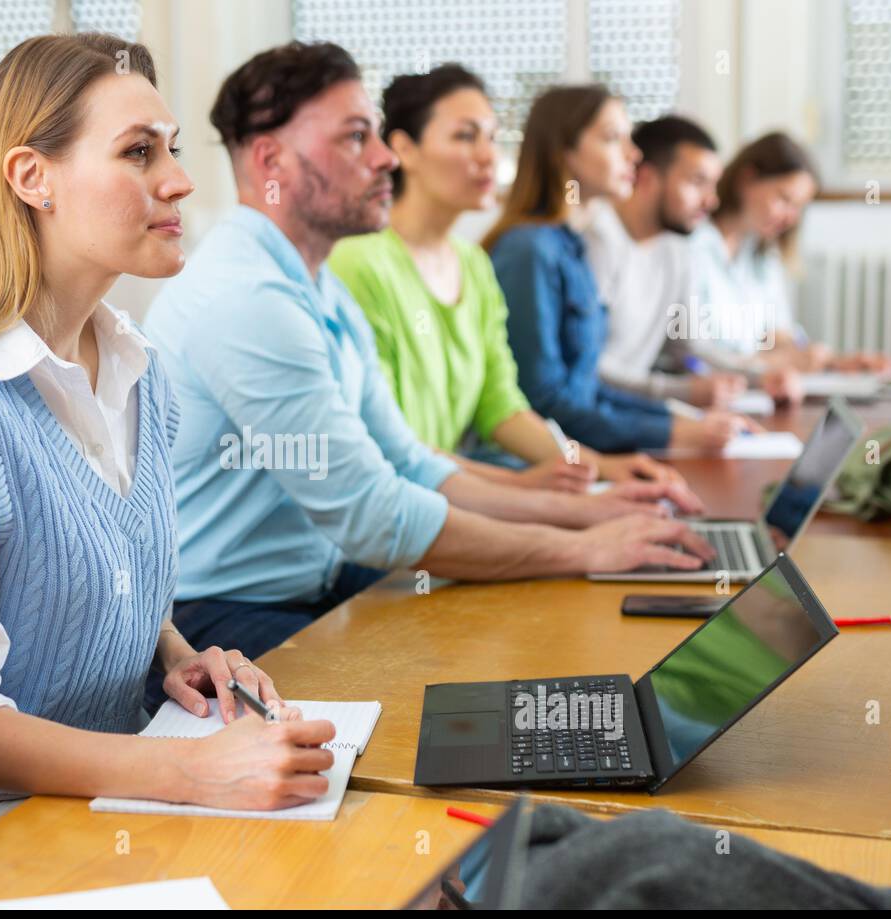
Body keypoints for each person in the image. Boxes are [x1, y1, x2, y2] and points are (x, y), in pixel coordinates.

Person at [0, 34, 337, 870]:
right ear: (33, 178)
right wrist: (191, 768)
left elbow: (93, 567)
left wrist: (177, 654)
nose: (178, 179)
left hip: (102, 796)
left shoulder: (141, 369)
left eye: (171, 149)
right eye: (138, 152)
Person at [145, 43, 712, 664]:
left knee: (541, 628)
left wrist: (581, 512)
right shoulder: (250, 299)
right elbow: (371, 513)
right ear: (271, 158)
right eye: (357, 138)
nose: (387, 156)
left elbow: (408, 462)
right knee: (495, 672)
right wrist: (582, 545)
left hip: (319, 585)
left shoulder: (318, 285)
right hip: (226, 618)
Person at [329, 65, 695, 495]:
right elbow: (392, 448)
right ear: (404, 149)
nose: (488, 156)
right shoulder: (358, 264)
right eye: (465, 136)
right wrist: (519, 483)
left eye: (491, 137)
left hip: (449, 496)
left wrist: (597, 466)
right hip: (399, 512)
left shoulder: (472, 264)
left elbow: (500, 405)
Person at [484, 86, 752, 453]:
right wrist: (672, 431)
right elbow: (544, 401)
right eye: (613, 139)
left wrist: (677, 422)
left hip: (576, 449)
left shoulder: (570, 246)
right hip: (539, 460)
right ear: (565, 152)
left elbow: (586, 388)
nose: (634, 154)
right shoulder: (530, 250)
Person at [687, 131, 891, 396]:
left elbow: (777, 335)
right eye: (784, 199)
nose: (790, 218)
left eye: (798, 208)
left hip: (757, 393)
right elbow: (694, 359)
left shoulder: (761, 255)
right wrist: (773, 364)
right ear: (746, 179)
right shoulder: (694, 249)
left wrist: (832, 363)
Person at [582, 115, 753, 407]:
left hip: (631, 407)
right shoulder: (596, 240)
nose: (711, 201)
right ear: (646, 177)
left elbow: (689, 344)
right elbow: (589, 366)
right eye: (697, 182)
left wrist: (761, 376)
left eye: (713, 185)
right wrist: (683, 391)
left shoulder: (678, 247)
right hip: (593, 412)